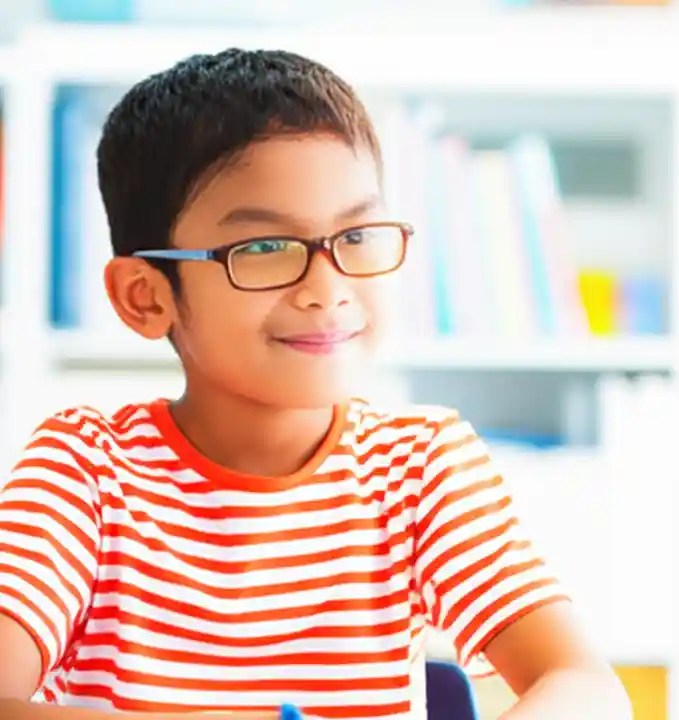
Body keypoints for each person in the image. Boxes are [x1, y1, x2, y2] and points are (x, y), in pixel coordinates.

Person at [0, 49, 630, 720]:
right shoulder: (86, 469)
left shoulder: (418, 465)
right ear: (145, 297)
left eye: (357, 234)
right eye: (266, 248)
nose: (327, 290)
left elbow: (586, 689)